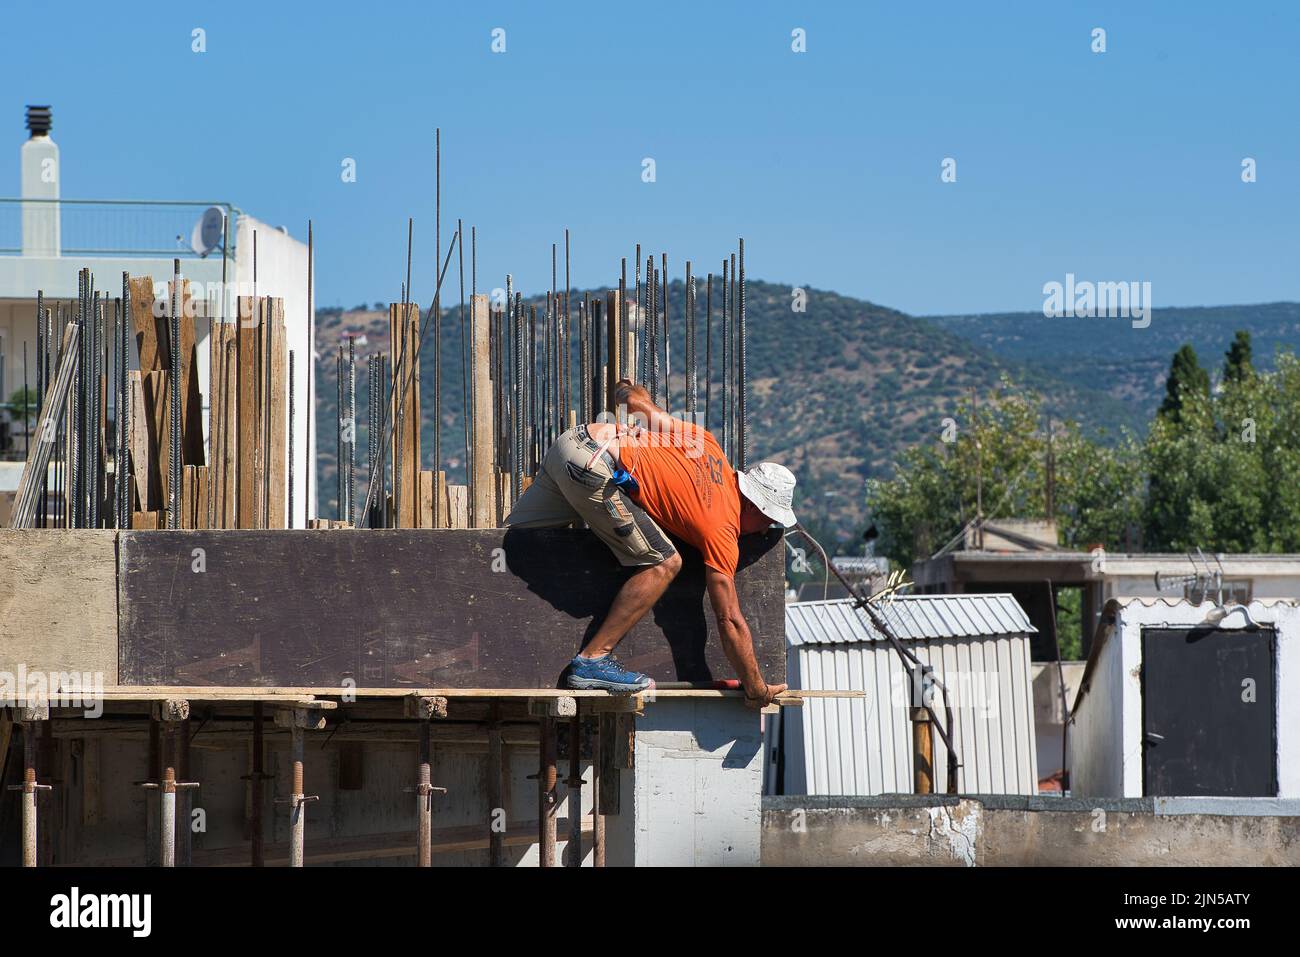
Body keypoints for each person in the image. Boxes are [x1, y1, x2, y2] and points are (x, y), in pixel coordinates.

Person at [506, 378, 795, 708]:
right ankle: (591, 662)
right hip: (593, 468)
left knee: (507, 542)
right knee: (664, 562)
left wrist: (626, 389)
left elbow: (638, 404)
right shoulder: (723, 528)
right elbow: (728, 619)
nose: (764, 530)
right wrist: (755, 686)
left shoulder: (708, 443)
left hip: (575, 441)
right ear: (754, 505)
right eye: (769, 520)